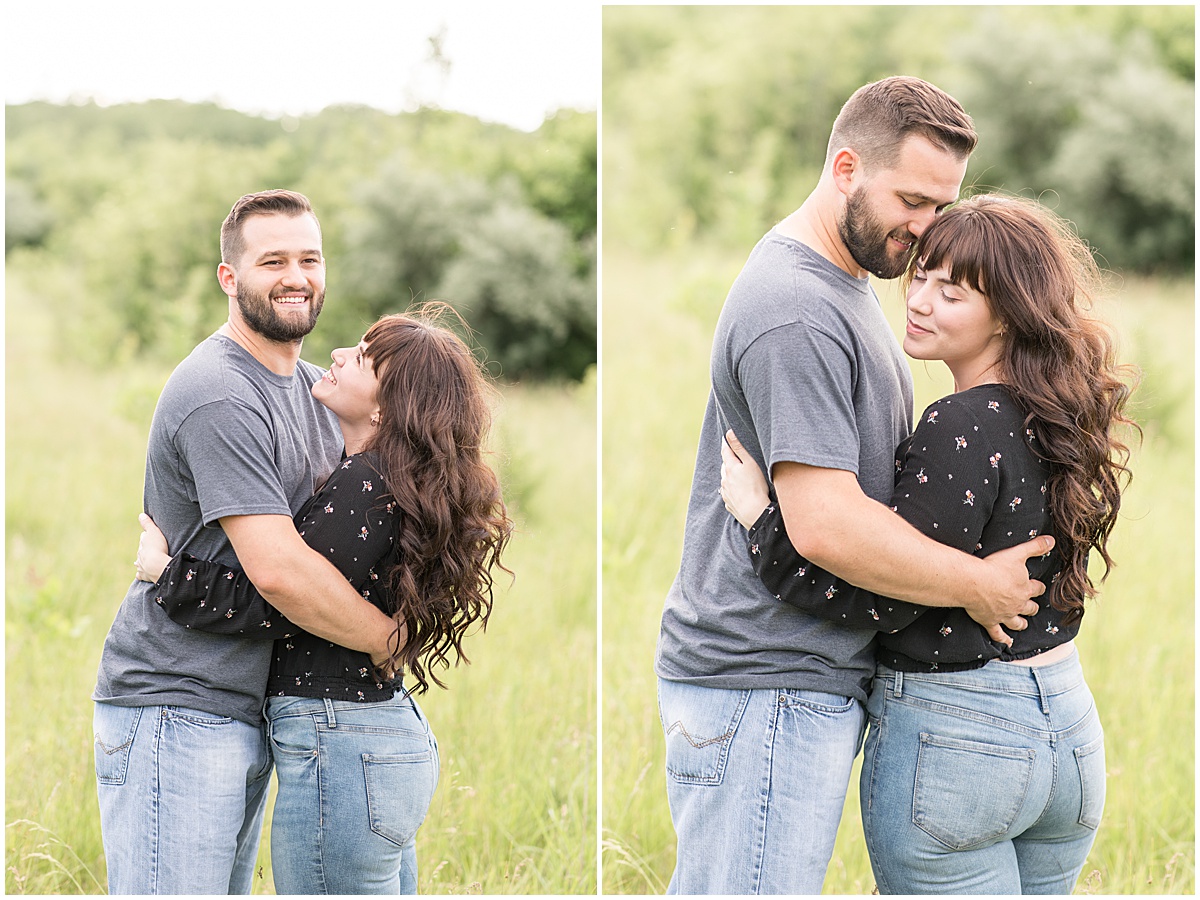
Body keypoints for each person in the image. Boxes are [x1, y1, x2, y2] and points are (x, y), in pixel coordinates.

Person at [655, 76, 1053, 894]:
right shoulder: (797, 306)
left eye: (941, 204)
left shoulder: (848, 285)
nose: (926, 227)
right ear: (845, 168)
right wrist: (977, 584)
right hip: (765, 678)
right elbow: (827, 525)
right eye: (911, 198)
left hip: (799, 676)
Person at [720, 193, 1137, 893]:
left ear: (1005, 312)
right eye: (921, 277)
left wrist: (763, 521)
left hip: (962, 738)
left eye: (953, 292)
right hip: (1066, 727)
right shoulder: (1060, 414)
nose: (919, 300)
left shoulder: (961, 423)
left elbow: (888, 598)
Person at [133, 303, 513, 893]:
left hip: (342, 740)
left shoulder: (366, 484)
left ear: (387, 406)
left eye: (362, 358)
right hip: (369, 739)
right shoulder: (393, 481)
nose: (335, 355)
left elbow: (280, 599)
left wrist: (167, 573)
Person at [92, 190, 400, 894]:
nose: (296, 276)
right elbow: (283, 573)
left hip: (248, 706)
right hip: (177, 700)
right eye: (273, 261)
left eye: (310, 258)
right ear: (230, 277)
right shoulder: (220, 393)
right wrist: (390, 639)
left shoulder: (322, 391)